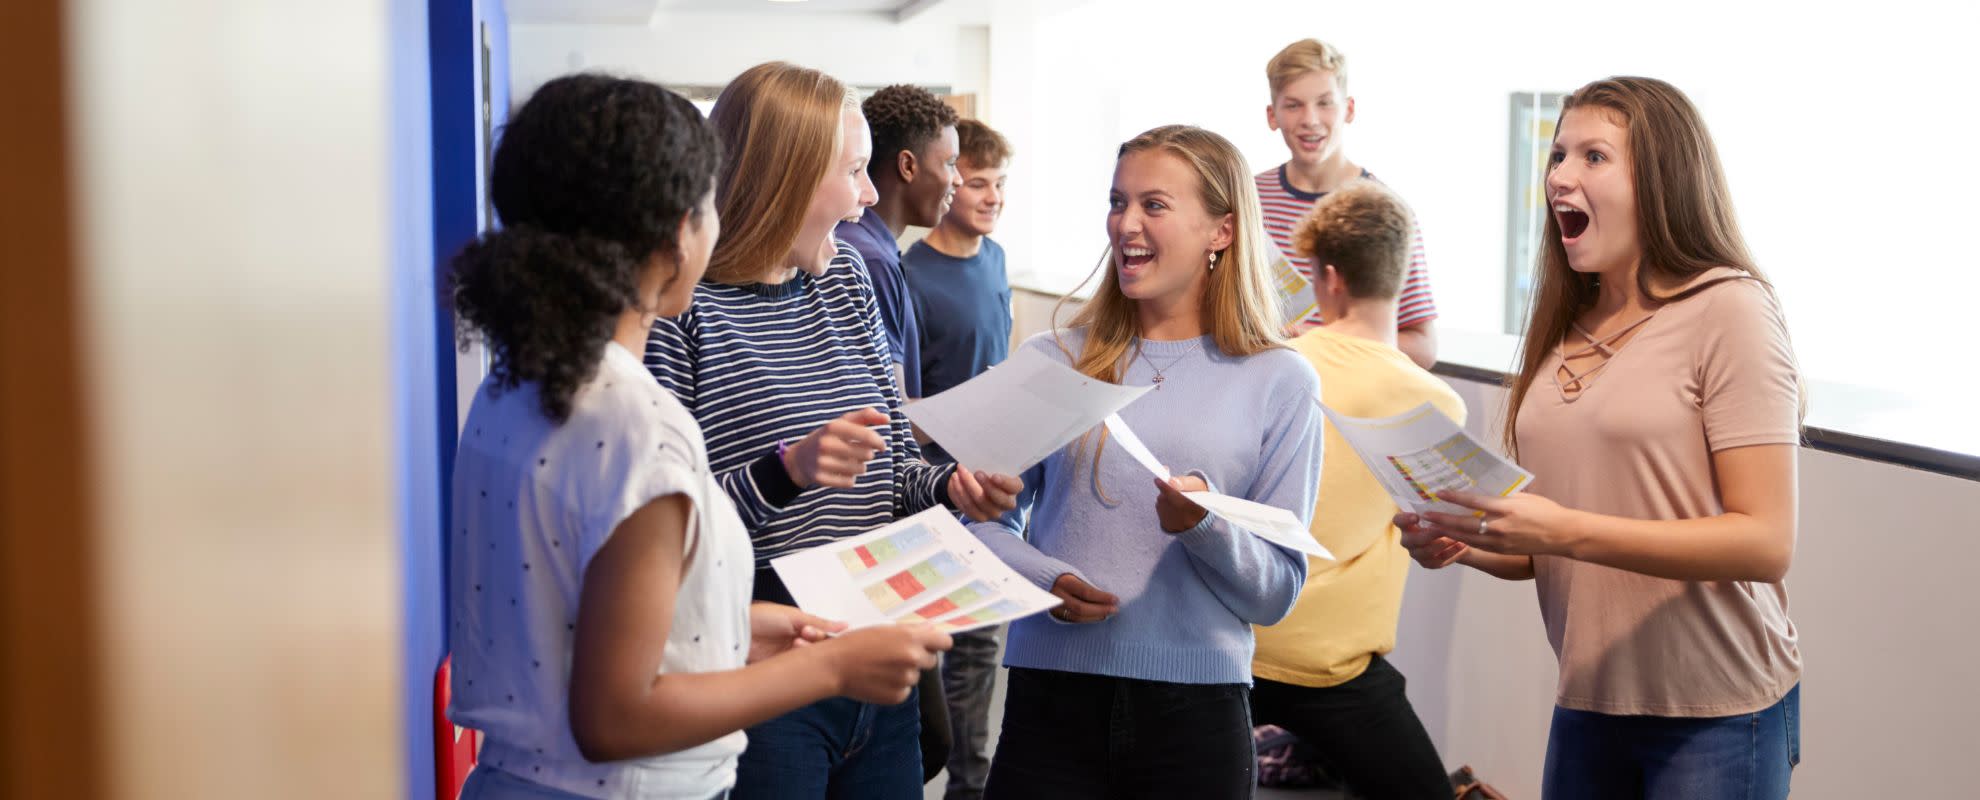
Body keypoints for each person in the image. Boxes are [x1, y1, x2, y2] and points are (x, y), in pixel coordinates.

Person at [446, 74, 950, 800]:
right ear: (678, 229)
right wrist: (831, 669)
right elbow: (613, 717)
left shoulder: (516, 387)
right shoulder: (637, 429)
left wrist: (735, 630)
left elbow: (574, 622)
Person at [1399, 76, 1803, 800]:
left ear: (1662, 179)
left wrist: (1565, 530)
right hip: (1589, 699)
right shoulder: (1567, 327)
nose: (1561, 175)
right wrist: (1471, 541)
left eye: (1594, 156)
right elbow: (1556, 544)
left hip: (1713, 709)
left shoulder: (1730, 309)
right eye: (1558, 155)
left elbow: (1765, 542)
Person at [642, 61, 1021, 800]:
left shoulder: (845, 277)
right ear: (787, 179)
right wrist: (787, 468)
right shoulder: (682, 311)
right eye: (854, 170)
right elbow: (663, 526)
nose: (872, 194)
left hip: (873, 637)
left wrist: (951, 486)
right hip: (759, 657)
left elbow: (895, 469)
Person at [969, 125, 1324, 799]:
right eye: (1117, 201)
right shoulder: (1055, 360)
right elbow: (979, 523)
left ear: (1221, 230)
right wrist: (1049, 577)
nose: (1125, 224)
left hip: (1195, 719)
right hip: (1051, 703)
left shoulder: (1280, 380)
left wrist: (1204, 525)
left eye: (1153, 205)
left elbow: (1276, 593)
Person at [1249, 180, 1460, 799]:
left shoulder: (1276, 366)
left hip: (1242, 637)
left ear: (1330, 277)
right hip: (1332, 663)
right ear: (1399, 277)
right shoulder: (1436, 403)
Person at [899, 117, 1014, 800]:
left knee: (981, 659)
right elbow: (903, 407)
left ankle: (972, 792)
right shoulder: (912, 275)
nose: (992, 196)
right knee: (941, 666)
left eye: (1001, 183)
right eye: (976, 182)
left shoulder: (996, 260)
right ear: (946, 184)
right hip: (937, 495)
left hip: (996, 489)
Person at [1257, 38, 1439, 368]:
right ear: (1272, 115)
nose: (1310, 119)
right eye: (1293, 105)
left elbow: (1424, 347)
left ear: (1349, 109)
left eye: (1325, 103)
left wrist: (1317, 343)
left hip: (1349, 404)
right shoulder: (1250, 200)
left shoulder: (1383, 210)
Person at [835, 83, 962, 401]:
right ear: (908, 166)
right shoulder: (869, 260)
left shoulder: (873, 247)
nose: (957, 178)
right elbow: (894, 412)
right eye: (950, 163)